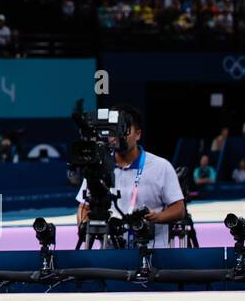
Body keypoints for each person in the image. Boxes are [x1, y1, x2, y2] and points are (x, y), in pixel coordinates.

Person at [74, 105, 185, 248]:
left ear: (138, 134)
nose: (118, 136)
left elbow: (179, 209)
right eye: (113, 130)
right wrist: (84, 227)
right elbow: (83, 207)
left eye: (124, 129)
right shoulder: (98, 166)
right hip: (110, 254)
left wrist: (158, 217)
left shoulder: (161, 166)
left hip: (152, 252)